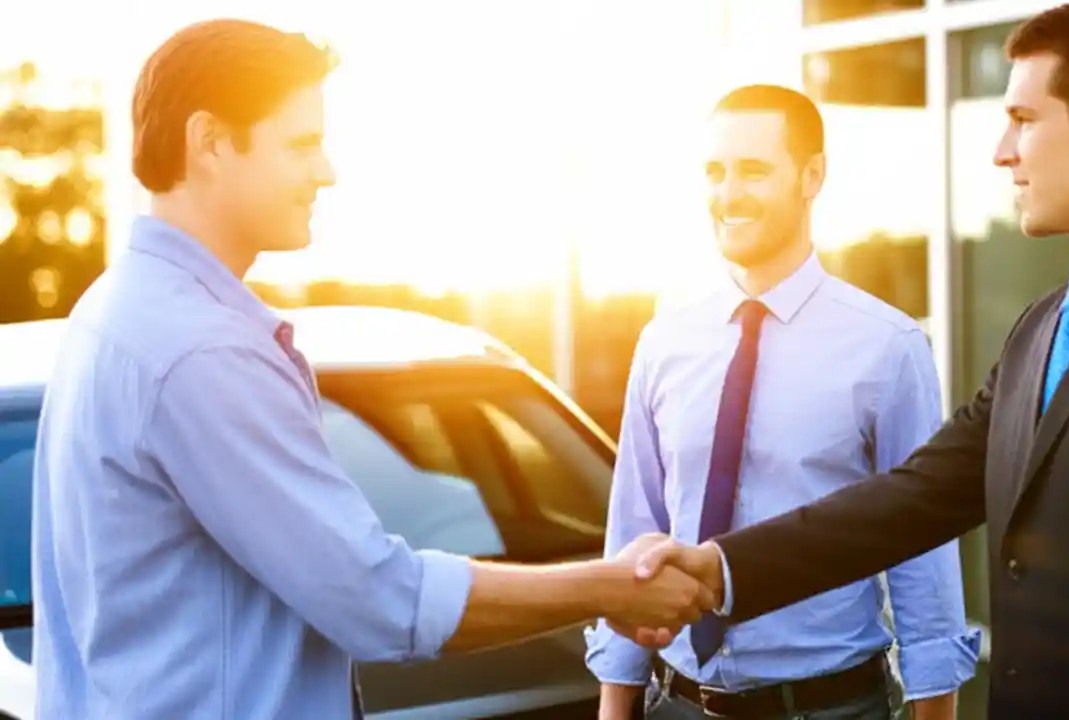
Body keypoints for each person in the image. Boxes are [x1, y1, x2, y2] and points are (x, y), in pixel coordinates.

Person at [29, 19, 712, 720]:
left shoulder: (108, 314)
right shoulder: (200, 349)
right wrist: (610, 588)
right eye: (301, 143)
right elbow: (381, 600)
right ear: (209, 142)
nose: (327, 170)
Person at [625, 1, 1069, 718]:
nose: (1002, 150)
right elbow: (913, 499)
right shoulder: (1042, 327)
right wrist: (722, 569)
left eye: (1024, 120)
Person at [585, 85, 978, 720]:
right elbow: (634, 534)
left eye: (754, 170)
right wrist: (615, 704)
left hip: (829, 708)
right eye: (715, 172)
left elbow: (922, 559)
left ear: (812, 175)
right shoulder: (664, 342)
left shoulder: (888, 347)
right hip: (677, 705)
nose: (728, 194)